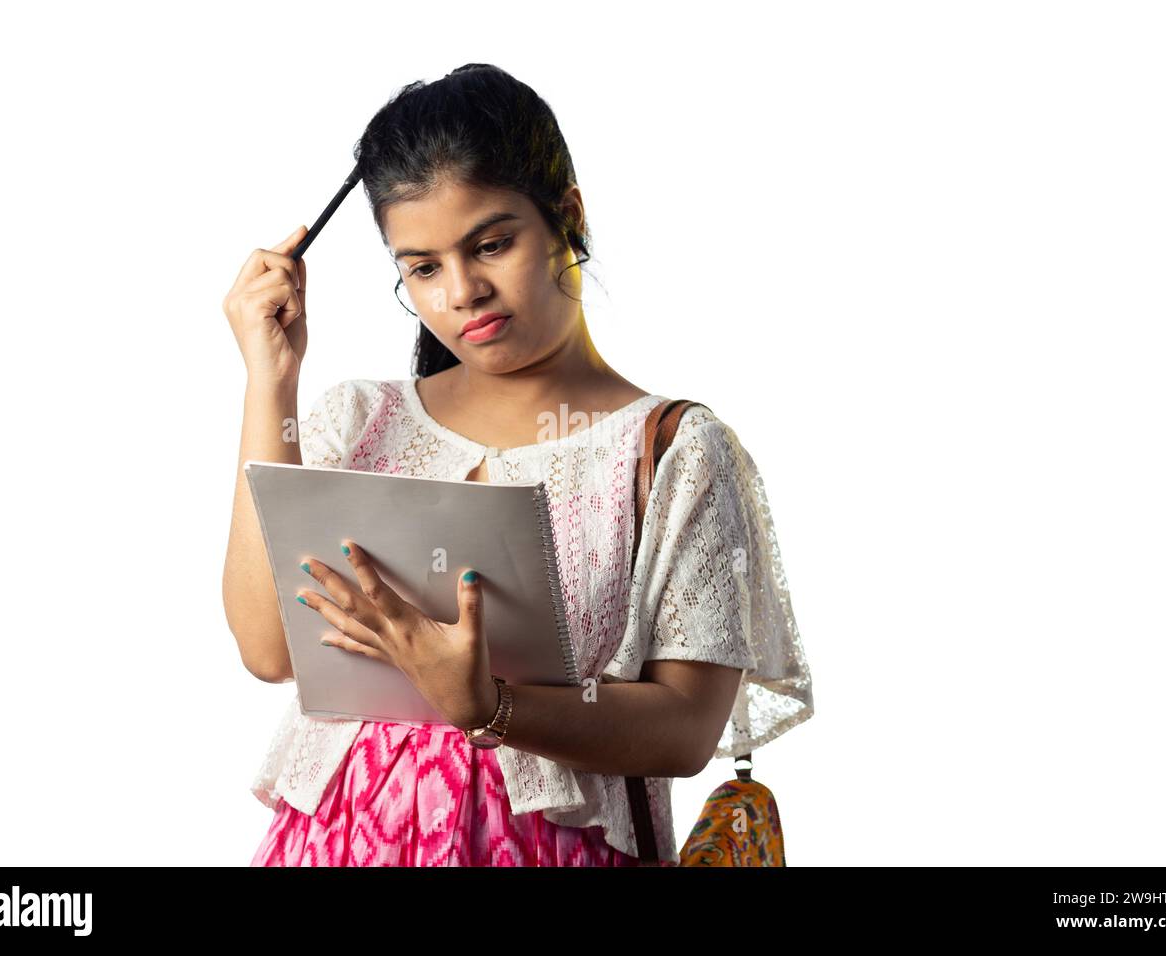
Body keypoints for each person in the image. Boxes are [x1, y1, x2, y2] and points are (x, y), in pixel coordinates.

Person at [221, 64, 814, 866]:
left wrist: (491, 707)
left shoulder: (676, 451)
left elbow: (683, 728)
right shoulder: (361, 422)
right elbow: (268, 650)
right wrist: (271, 378)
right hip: (338, 840)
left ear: (565, 215)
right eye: (422, 267)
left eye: (492, 243)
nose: (462, 291)